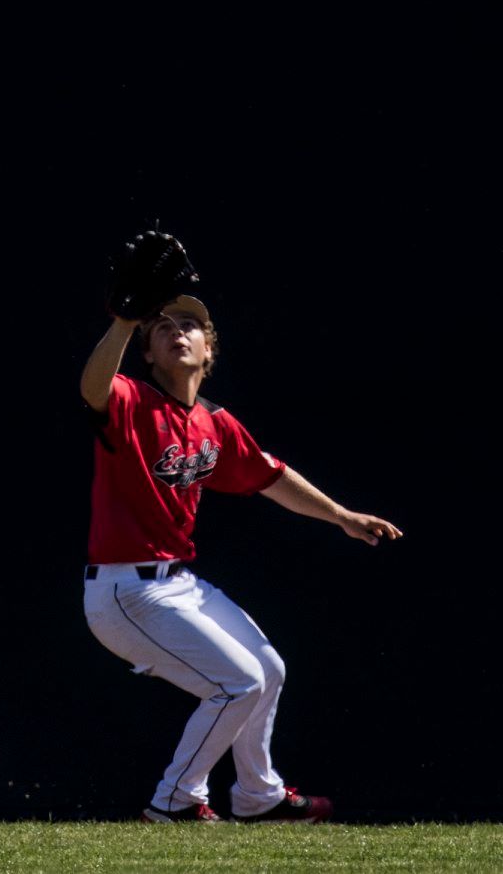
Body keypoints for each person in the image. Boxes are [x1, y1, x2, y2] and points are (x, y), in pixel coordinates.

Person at [79, 294, 404, 824]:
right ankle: (175, 800)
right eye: (161, 327)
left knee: (269, 670)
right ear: (148, 355)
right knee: (239, 683)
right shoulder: (131, 401)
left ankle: (258, 795)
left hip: (178, 583)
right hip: (124, 591)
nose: (176, 331)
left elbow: (270, 476)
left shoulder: (213, 422)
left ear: (209, 352)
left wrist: (342, 516)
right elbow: (92, 388)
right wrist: (122, 322)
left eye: (190, 325)